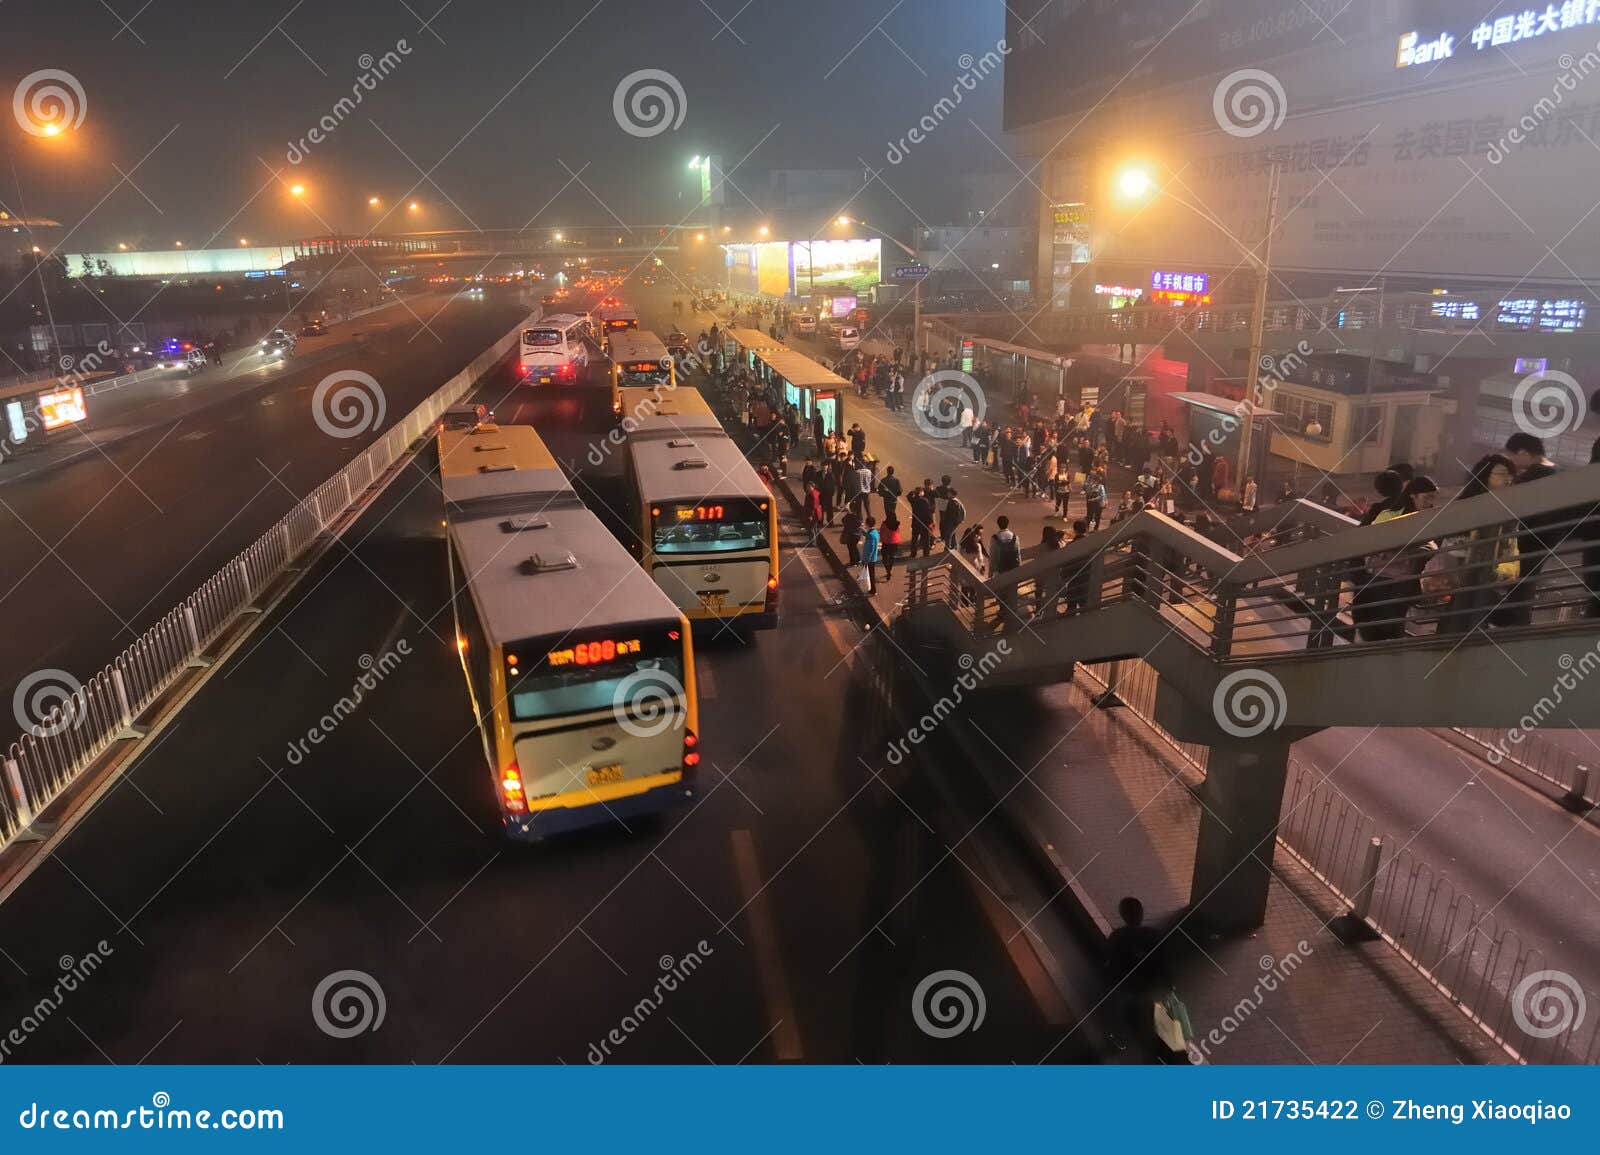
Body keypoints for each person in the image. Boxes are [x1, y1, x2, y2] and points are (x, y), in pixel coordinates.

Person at [1502, 432, 1563, 627]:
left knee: (1518, 585)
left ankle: (1515, 626)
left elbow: (1507, 501)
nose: (1512, 462)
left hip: (1528, 538)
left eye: (1512, 456)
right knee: (1526, 584)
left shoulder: (1534, 474)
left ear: (1523, 452)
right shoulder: (1556, 470)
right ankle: (1517, 624)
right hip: (1547, 537)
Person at [908, 485, 934, 558]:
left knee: (914, 539)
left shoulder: (913, 500)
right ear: (920, 493)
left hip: (915, 523)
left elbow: (908, 496)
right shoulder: (924, 500)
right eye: (922, 491)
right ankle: (926, 554)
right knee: (926, 540)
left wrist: (914, 492)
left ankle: (913, 553)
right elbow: (928, 512)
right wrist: (930, 522)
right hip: (924, 524)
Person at [940, 487, 966, 552]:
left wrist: (948, 521)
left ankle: (947, 549)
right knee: (953, 534)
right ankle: (954, 548)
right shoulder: (955, 500)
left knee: (948, 535)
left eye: (948, 493)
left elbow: (952, 514)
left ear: (952, 494)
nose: (947, 494)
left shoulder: (953, 502)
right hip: (955, 521)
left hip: (953, 522)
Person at [860, 516, 881, 595]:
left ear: (867, 524)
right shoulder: (874, 532)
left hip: (869, 559)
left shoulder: (871, 535)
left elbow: (871, 549)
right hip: (872, 558)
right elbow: (868, 535)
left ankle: (873, 590)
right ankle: (871, 589)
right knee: (870, 574)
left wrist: (866, 560)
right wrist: (863, 531)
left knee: (870, 575)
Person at [881, 513, 902, 579]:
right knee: (891, 557)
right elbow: (898, 531)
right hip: (894, 542)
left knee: (884, 557)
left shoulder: (884, 524)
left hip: (886, 542)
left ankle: (887, 570)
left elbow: (881, 532)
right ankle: (889, 569)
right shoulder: (897, 524)